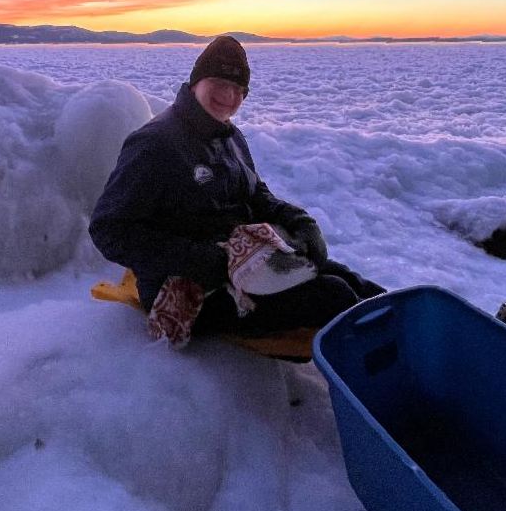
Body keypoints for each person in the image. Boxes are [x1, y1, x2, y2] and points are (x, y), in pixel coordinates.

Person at [89, 35, 385, 346]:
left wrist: (300, 222)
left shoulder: (229, 136)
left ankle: (416, 346)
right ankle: (375, 377)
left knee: (350, 281)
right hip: (188, 287)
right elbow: (109, 229)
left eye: (238, 89)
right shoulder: (155, 144)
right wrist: (204, 260)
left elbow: (255, 195)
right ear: (196, 82)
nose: (229, 96)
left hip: (245, 265)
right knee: (332, 296)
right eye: (219, 82)